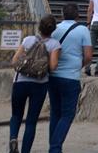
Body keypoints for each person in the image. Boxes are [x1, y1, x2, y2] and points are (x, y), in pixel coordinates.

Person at [9, 14, 60, 153]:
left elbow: (14, 61)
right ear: (53, 30)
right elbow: (53, 66)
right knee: (31, 121)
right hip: (40, 84)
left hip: (20, 82)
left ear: (39, 27)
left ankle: (13, 138)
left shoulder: (28, 40)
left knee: (16, 115)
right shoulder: (54, 44)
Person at [48, 4, 92, 153]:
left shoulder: (54, 30)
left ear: (62, 15)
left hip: (53, 76)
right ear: (77, 16)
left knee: (55, 112)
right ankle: (55, 148)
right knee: (67, 114)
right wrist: (78, 66)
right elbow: (88, 56)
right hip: (71, 77)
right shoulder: (83, 30)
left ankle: (53, 145)